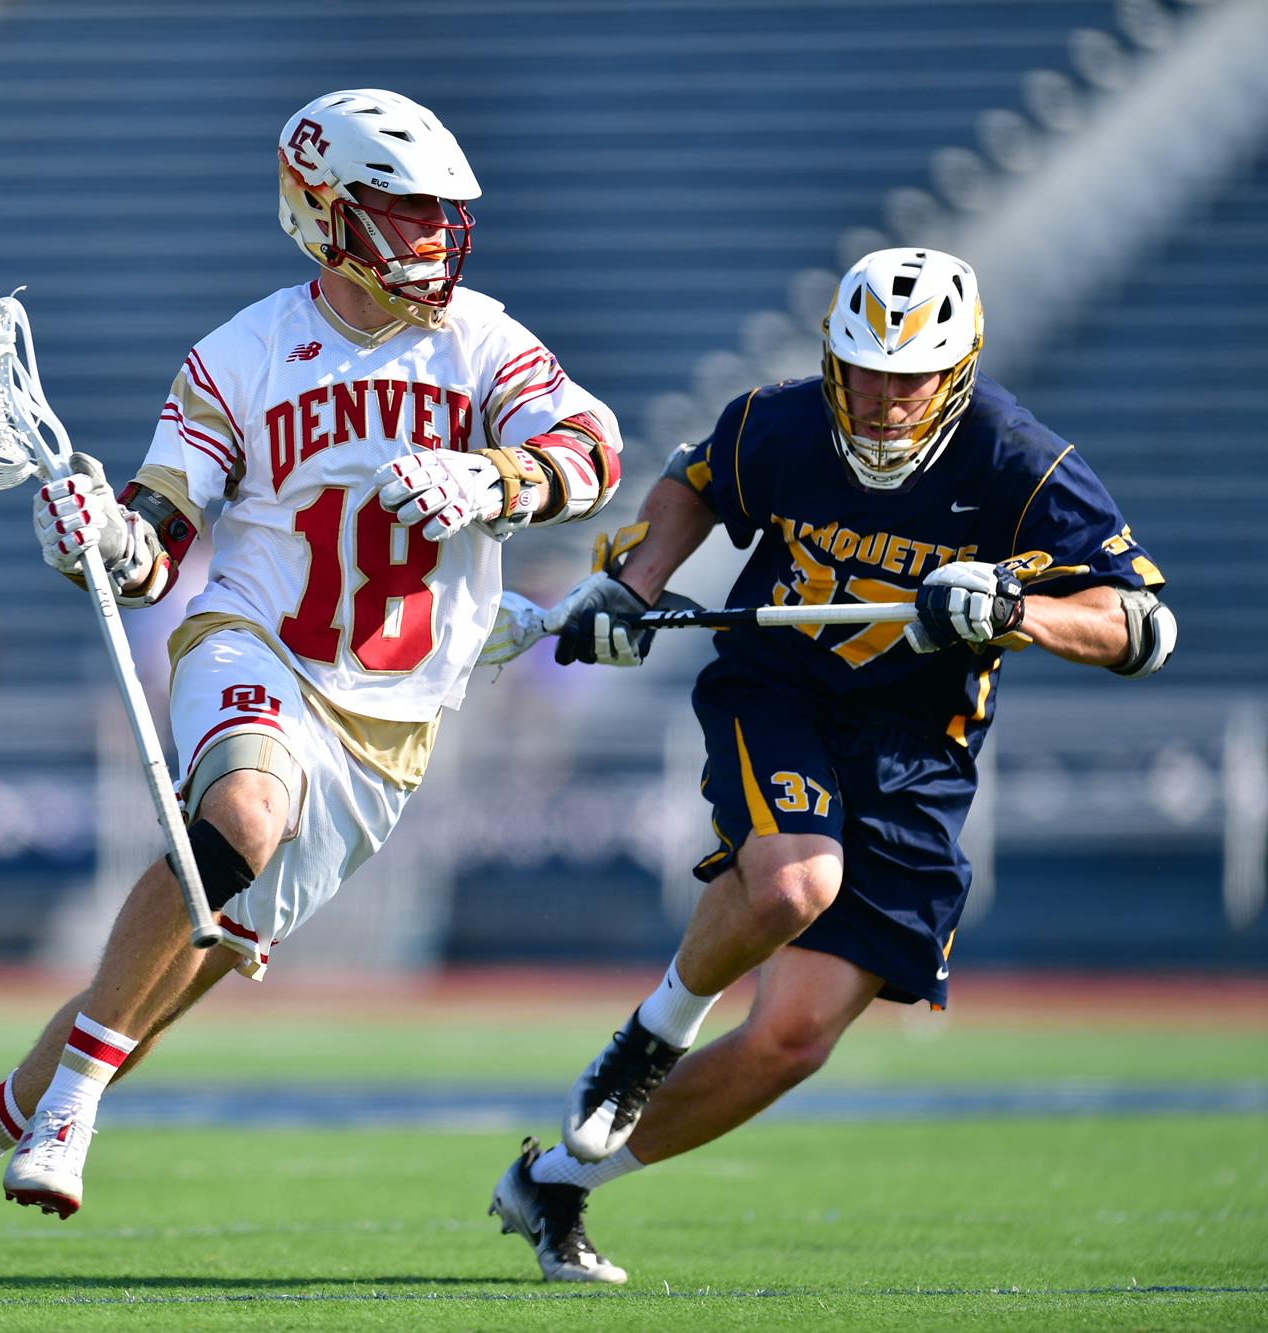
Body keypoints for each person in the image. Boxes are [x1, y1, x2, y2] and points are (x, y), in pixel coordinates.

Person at [0, 87, 628, 1295]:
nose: (430, 236)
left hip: (389, 725)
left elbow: (590, 450)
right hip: (255, 646)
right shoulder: (242, 352)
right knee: (238, 821)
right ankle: (70, 1105)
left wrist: (492, 480)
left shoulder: (482, 339)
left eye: (440, 214)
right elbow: (165, 538)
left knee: (180, 969)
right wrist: (102, 537)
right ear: (321, 213)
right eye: (399, 212)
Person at [486, 246, 1176, 1282]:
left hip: (916, 750)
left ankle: (556, 1185)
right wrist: (634, 584)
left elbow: (1138, 625)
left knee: (792, 1038)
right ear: (830, 358)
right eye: (864, 370)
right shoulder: (781, 421)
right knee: (794, 883)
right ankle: (646, 1039)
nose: (887, 398)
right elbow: (692, 480)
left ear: (960, 368)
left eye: (914, 376)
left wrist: (1012, 609)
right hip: (779, 693)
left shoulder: (1015, 461)